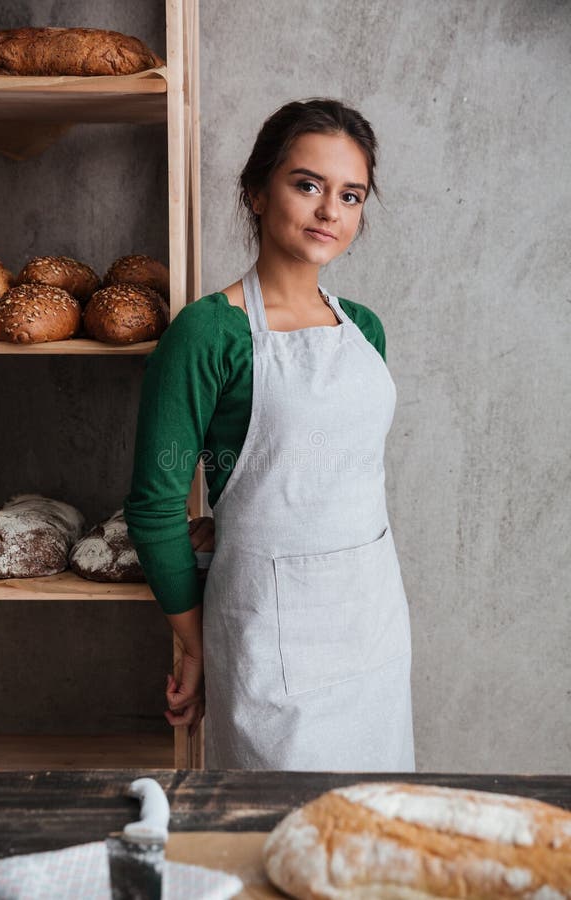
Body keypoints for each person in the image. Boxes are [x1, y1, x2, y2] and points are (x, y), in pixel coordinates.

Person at [123, 97, 415, 772]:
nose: (329, 211)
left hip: (373, 624)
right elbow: (155, 504)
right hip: (269, 639)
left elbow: (328, 470)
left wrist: (252, 516)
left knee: (371, 841)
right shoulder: (206, 334)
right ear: (256, 191)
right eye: (307, 184)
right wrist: (197, 646)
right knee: (274, 843)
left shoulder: (364, 330)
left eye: (351, 195)